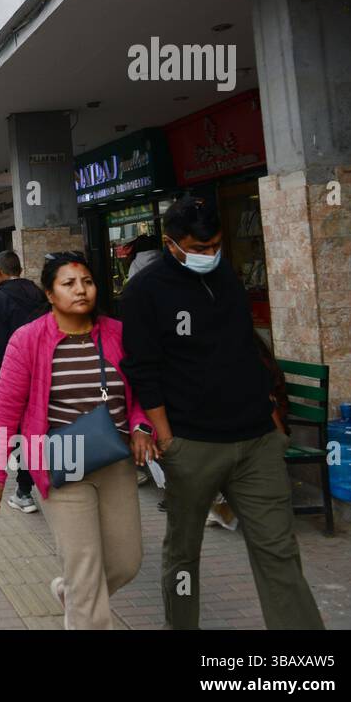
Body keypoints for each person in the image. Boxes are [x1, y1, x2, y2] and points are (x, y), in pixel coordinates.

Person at [119, 195, 324, 630]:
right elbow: (141, 368)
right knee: (182, 558)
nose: (209, 255)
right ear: (172, 244)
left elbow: (246, 347)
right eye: (198, 248)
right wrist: (167, 438)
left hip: (256, 442)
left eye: (215, 246)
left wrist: (270, 413)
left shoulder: (226, 275)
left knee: (279, 551)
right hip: (191, 445)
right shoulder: (143, 292)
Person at [0, 252, 156, 629]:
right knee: (85, 567)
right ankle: (83, 604)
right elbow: (5, 411)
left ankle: (73, 592)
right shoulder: (27, 340)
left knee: (126, 562)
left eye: (88, 282)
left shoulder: (118, 334)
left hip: (115, 461)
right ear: (49, 293)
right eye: (69, 284)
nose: (81, 290)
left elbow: (141, 392)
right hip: (60, 462)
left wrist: (142, 426)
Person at [0, 250, 48, 512]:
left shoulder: (1, 298)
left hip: (15, 374)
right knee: (37, 427)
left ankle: (24, 490)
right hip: (43, 372)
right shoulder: (37, 291)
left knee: (17, 432)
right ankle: (39, 481)